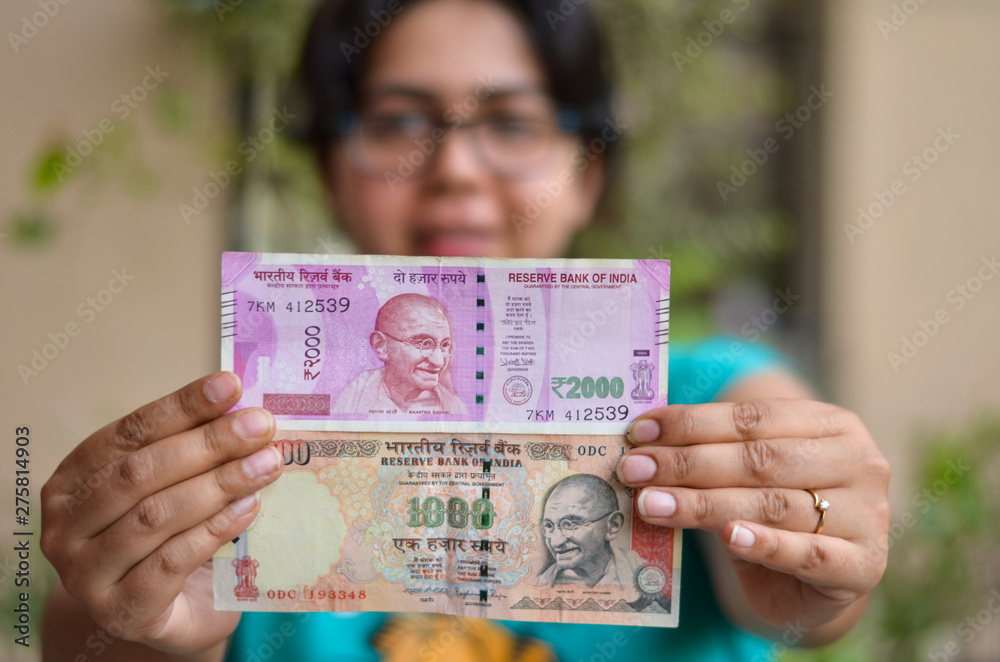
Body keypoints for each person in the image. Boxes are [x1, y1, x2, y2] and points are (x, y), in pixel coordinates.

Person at [40, 0, 891, 660]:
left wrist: (817, 566)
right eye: (400, 120)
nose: (452, 168)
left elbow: (809, 587)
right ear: (333, 174)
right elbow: (80, 640)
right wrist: (124, 616)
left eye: (512, 123)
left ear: (586, 171)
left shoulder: (704, 396)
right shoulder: (247, 445)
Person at [333, 293, 466, 414]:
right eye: (422, 343)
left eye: (445, 345)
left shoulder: (455, 408)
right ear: (381, 346)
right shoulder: (353, 398)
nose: (438, 362)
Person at [533, 474, 639, 589]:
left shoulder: (641, 572)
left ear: (612, 526)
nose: (555, 542)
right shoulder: (537, 586)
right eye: (549, 526)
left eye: (571, 525)